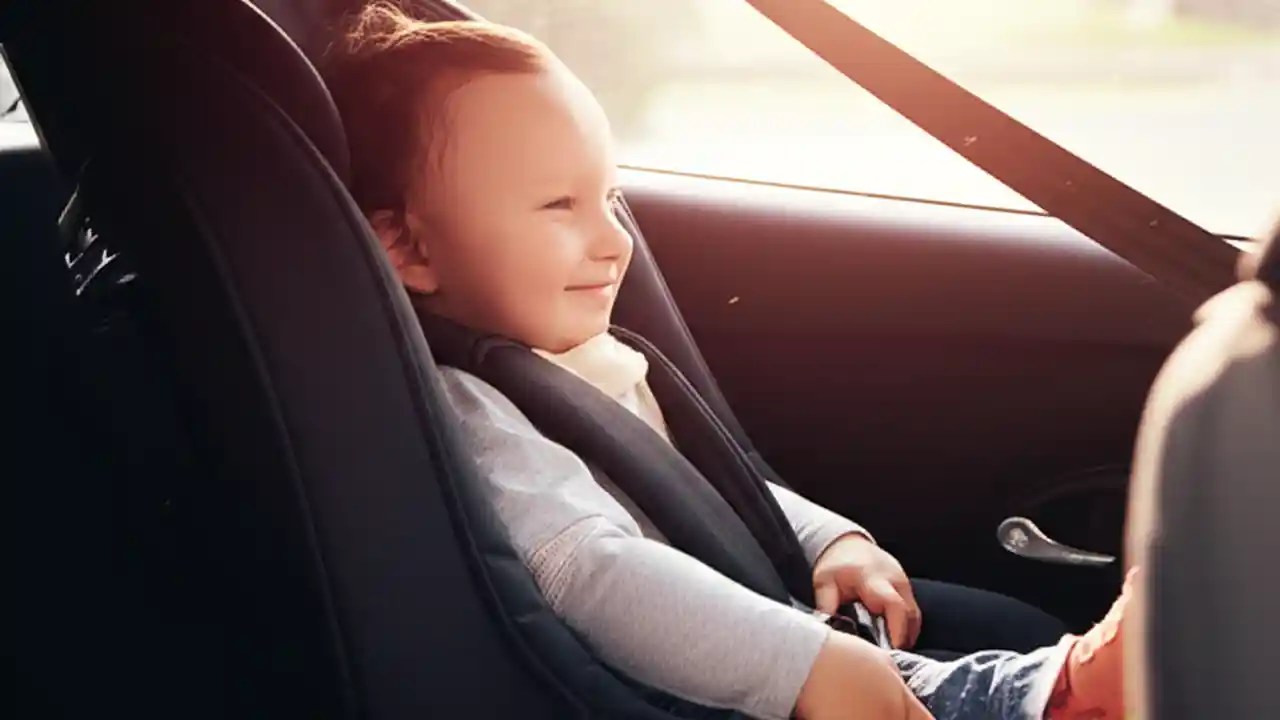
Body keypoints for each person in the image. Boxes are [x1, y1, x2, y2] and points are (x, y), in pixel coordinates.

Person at [322, 4, 1130, 718]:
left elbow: (712, 491)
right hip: (693, 689)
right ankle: (1060, 694)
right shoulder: (472, 411)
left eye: (609, 199)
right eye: (559, 206)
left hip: (763, 636)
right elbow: (588, 569)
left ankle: (1056, 688)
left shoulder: (582, 366)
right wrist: (805, 664)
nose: (615, 241)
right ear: (409, 248)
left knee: (961, 664)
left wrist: (830, 541)